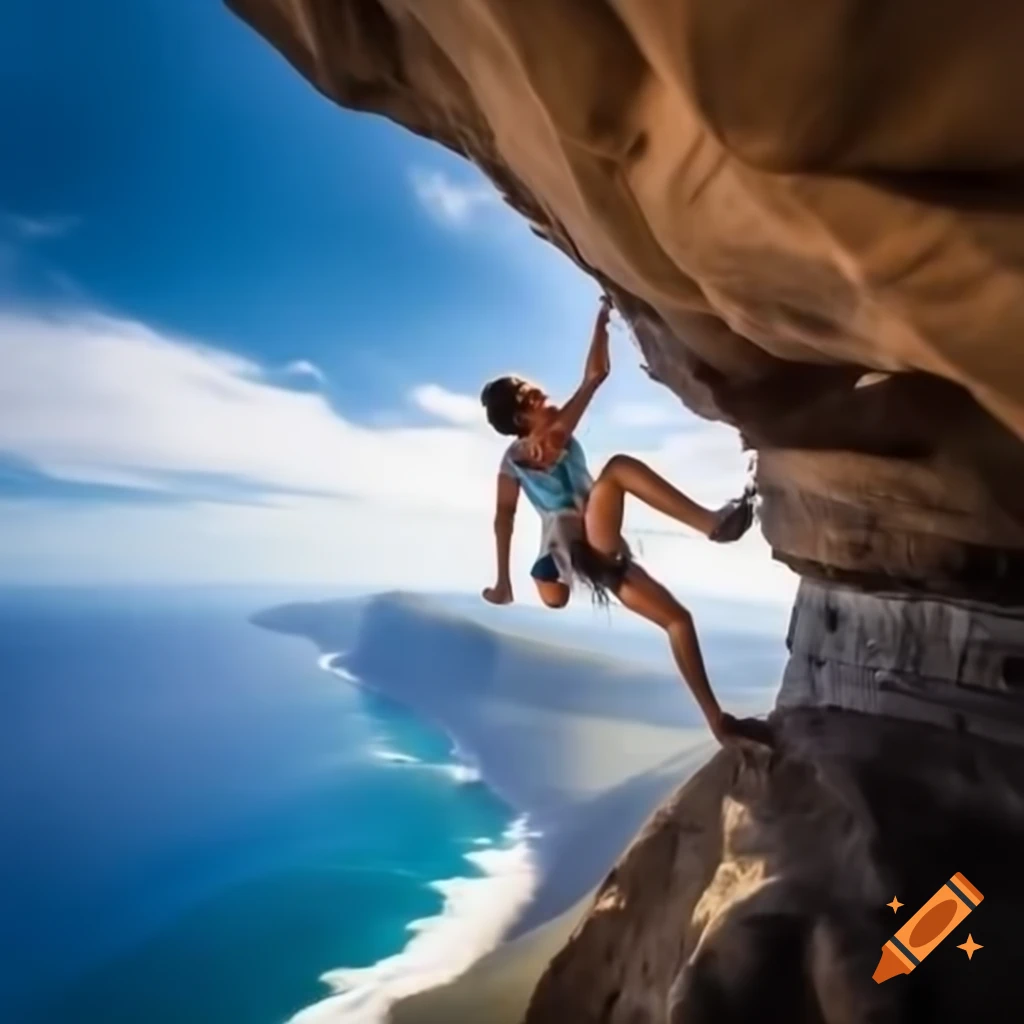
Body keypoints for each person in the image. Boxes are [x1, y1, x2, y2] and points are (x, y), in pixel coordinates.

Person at [479, 295, 771, 748]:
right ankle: (711, 524)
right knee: (615, 471)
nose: (540, 392)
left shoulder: (513, 458)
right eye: (529, 395)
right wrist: (601, 314)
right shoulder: (549, 435)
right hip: (588, 540)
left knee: (678, 620)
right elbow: (596, 376)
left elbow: (505, 517)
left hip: (581, 551)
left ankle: (718, 723)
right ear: (521, 415)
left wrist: (503, 583)